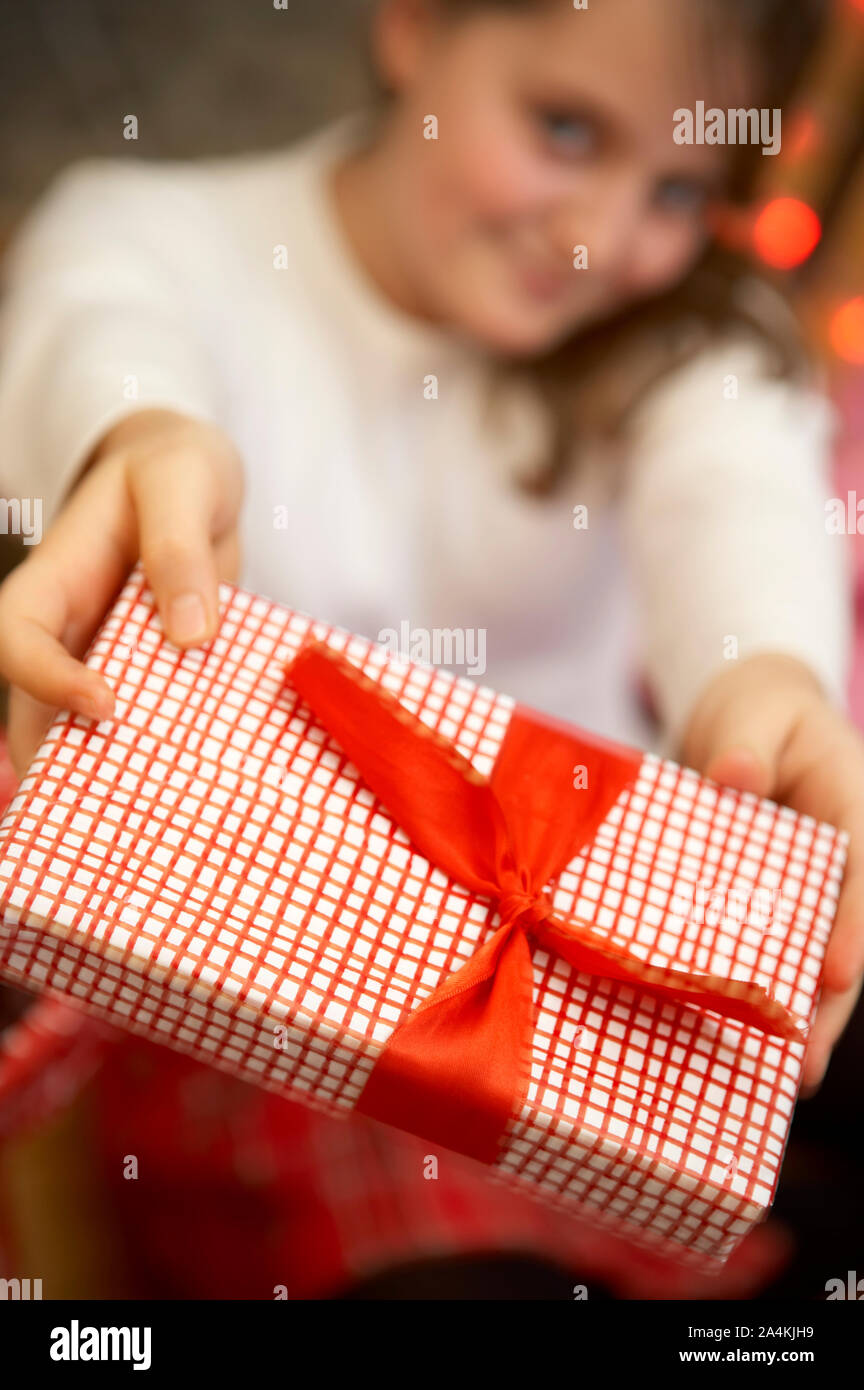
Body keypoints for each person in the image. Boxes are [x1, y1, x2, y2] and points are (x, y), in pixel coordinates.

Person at [0, 0, 861, 1293]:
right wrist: (138, 444)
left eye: (681, 186)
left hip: (602, 966)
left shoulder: (677, 337)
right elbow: (102, 328)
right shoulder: (164, 234)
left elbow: (735, 490)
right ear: (412, 24)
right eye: (566, 128)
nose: (599, 237)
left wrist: (771, 675)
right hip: (253, 975)